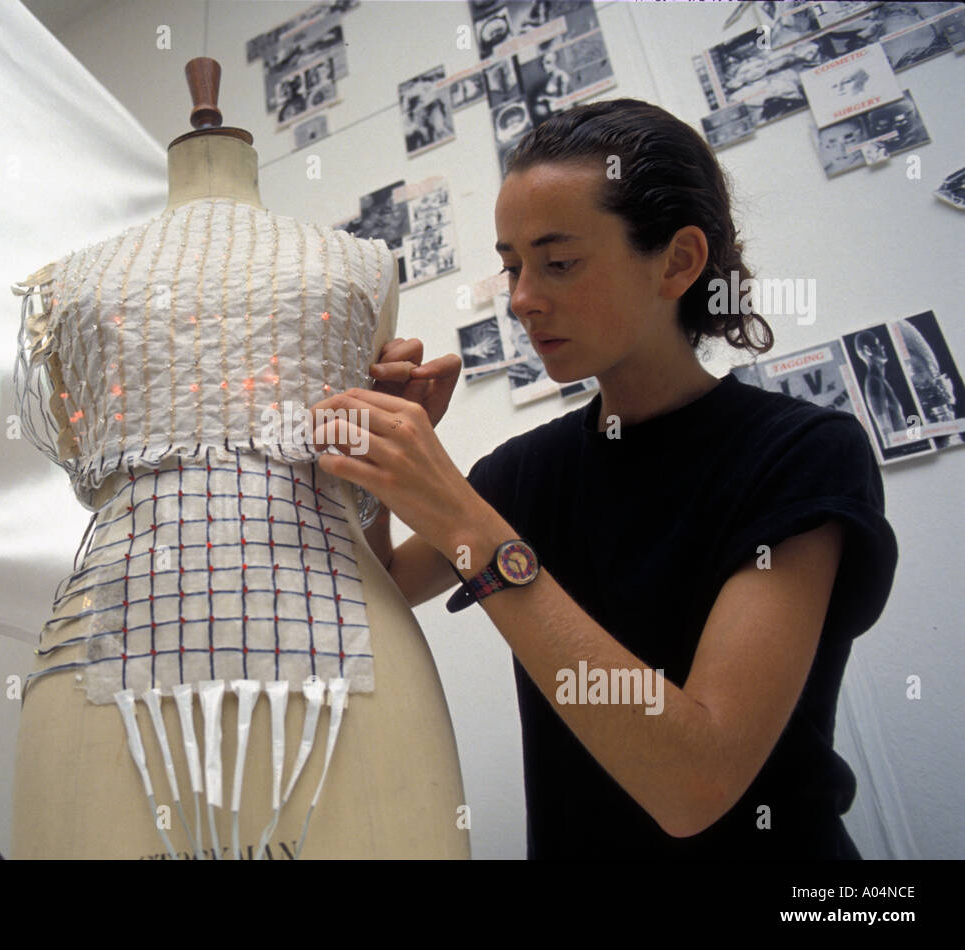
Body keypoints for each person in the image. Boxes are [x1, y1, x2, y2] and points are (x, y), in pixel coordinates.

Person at [307, 97, 898, 858]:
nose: (521, 299)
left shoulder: (800, 454)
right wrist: (377, 470)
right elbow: (377, 582)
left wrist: (467, 523)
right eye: (513, 267)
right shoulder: (528, 472)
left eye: (559, 262)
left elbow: (696, 783)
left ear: (679, 261)